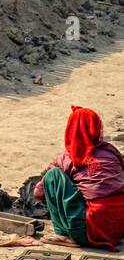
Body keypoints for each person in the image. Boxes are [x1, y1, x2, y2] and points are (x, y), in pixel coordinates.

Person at [35, 105, 124, 249]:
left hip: (89, 231)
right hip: (118, 229)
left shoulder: (67, 158)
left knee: (52, 175)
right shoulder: (111, 151)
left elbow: (38, 193)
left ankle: (62, 234)